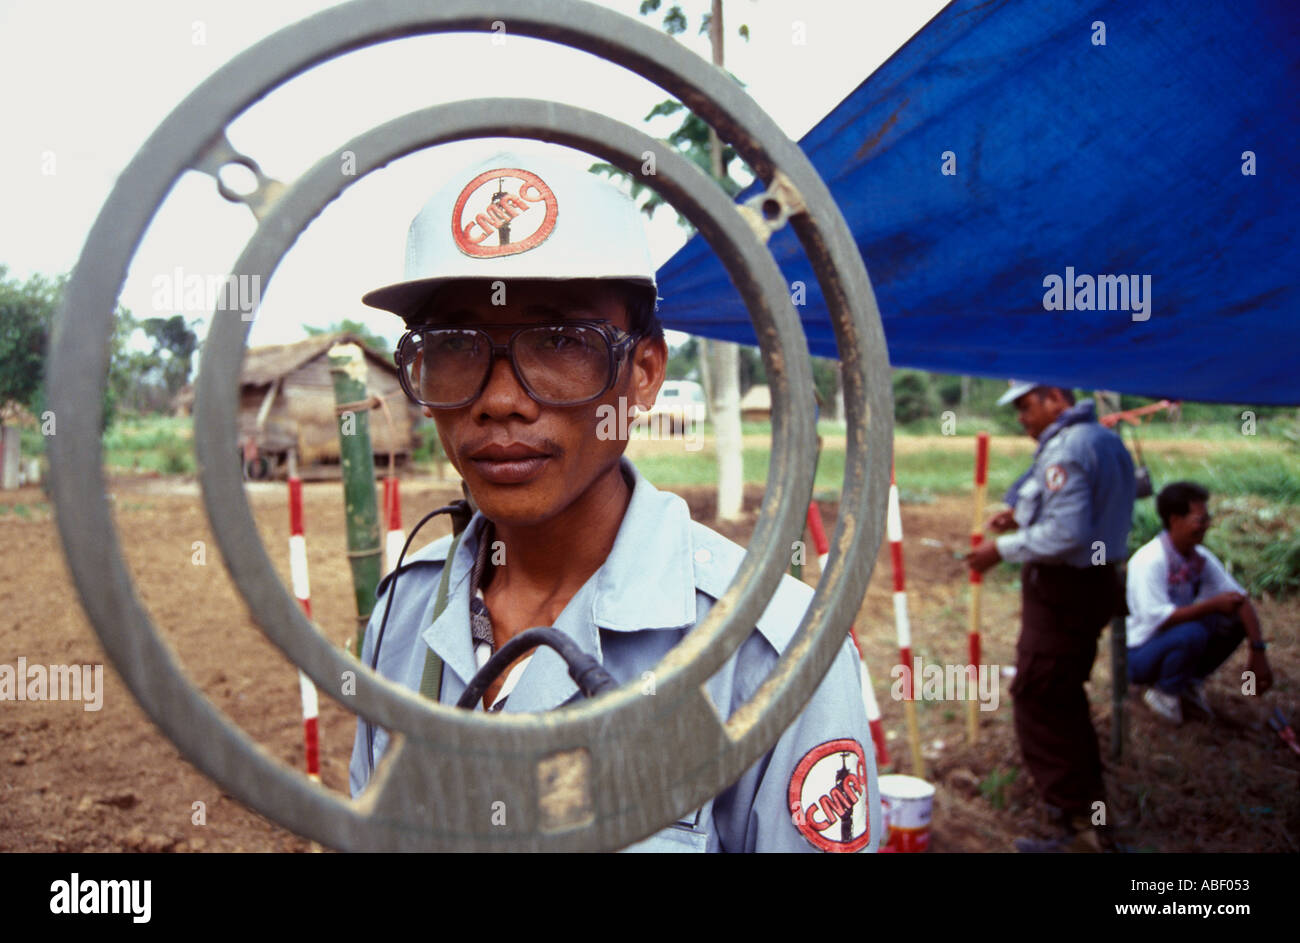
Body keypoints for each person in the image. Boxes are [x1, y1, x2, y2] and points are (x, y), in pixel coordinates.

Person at [346, 148, 879, 853]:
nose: (500, 399)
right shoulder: (403, 613)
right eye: (452, 344)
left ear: (645, 374)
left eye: (562, 340)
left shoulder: (769, 655)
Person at [966, 381, 1136, 852]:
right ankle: (1087, 815)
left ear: (1055, 398)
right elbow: (1086, 510)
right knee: (1062, 696)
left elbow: (1067, 534)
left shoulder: (1069, 447)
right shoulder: (1104, 439)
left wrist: (1000, 550)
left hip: (1066, 590)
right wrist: (1020, 519)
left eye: (1026, 406)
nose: (1022, 418)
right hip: (1093, 585)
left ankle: (1080, 829)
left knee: (1040, 696)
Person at [1126, 481, 1272, 724]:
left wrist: (1258, 652)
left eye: (1207, 519)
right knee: (1193, 632)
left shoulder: (1199, 557)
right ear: (1175, 520)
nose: (1206, 526)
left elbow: (1241, 601)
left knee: (1233, 620)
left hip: (1171, 641)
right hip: (1139, 652)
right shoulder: (1150, 560)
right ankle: (1165, 693)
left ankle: (1189, 683)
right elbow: (1158, 618)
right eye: (1200, 520)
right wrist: (1211, 605)